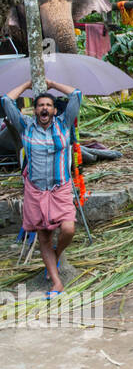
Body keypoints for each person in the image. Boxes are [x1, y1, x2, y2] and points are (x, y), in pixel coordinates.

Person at [2, 78, 82, 295]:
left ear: (55, 110)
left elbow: (76, 95)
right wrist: (27, 84)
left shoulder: (64, 124)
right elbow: (6, 101)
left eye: (48, 105)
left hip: (61, 188)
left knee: (68, 228)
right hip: (36, 191)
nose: (44, 108)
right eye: (40, 105)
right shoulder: (26, 126)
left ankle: (55, 256)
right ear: (35, 110)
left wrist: (53, 84)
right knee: (44, 237)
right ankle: (57, 283)